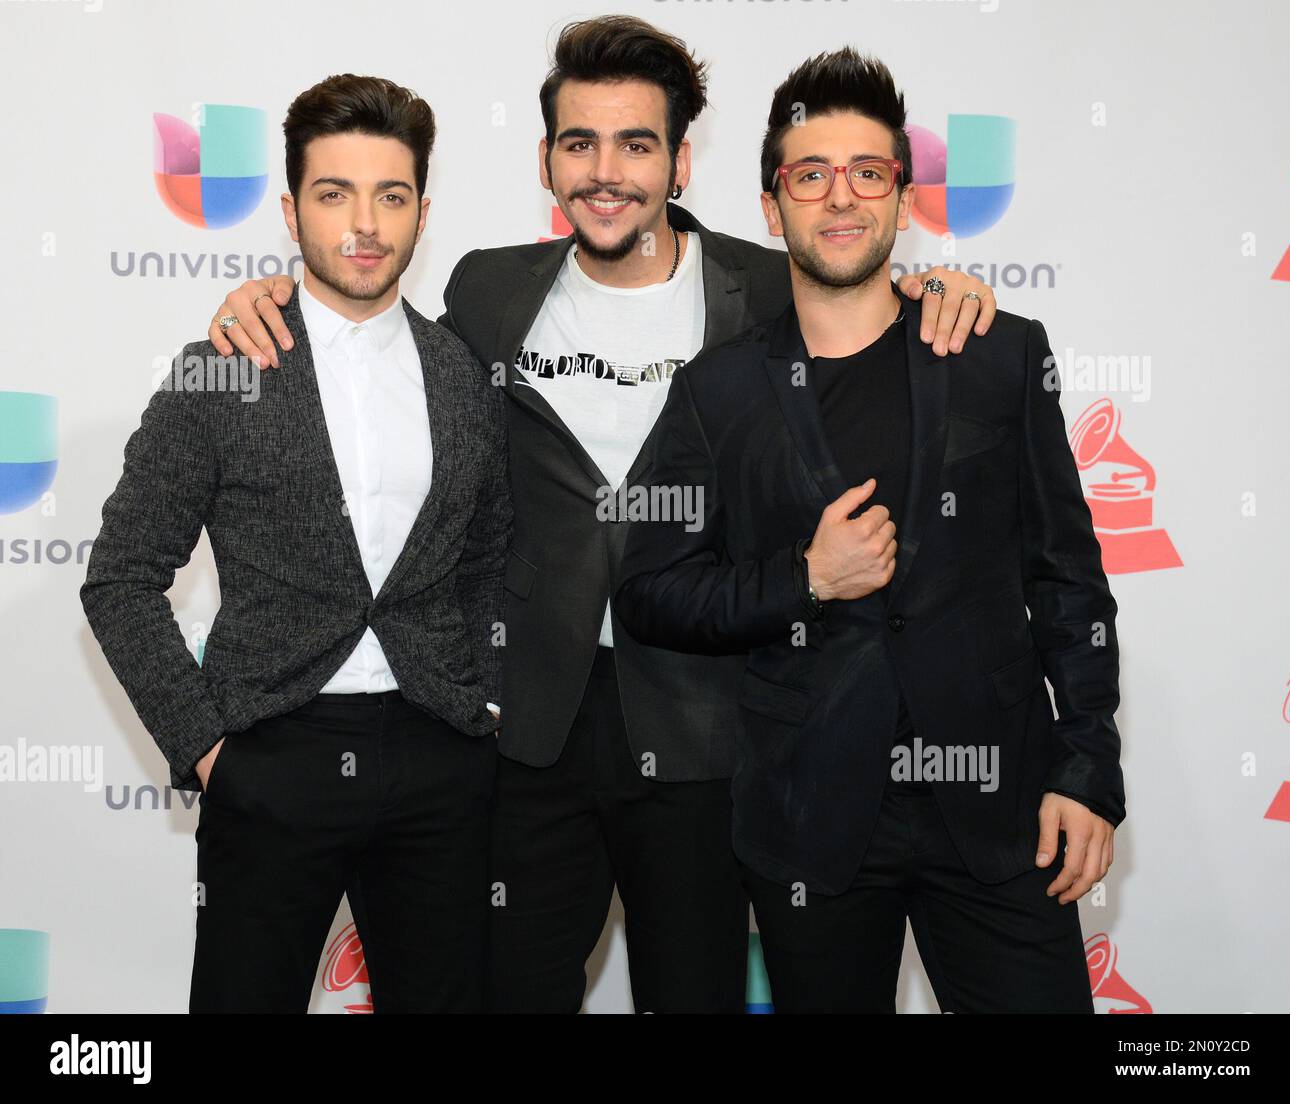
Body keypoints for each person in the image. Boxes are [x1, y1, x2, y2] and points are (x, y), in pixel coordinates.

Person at [200, 17, 996, 1013]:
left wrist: (942, 291)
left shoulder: (760, 287)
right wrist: (268, 301)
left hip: (712, 721)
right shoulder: (487, 290)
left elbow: (863, 296)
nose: (605, 171)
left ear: (679, 162)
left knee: (695, 996)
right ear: (546, 160)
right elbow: (379, 361)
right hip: (529, 724)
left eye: (635, 144)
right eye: (579, 144)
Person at [614, 47, 1122, 1013]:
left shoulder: (994, 354)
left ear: (901, 196)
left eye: (866, 173)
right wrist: (802, 580)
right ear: (773, 208)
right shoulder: (716, 391)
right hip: (812, 823)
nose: (838, 198)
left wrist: (1089, 770)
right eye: (810, 175)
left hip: (1003, 809)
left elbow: (1068, 578)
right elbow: (648, 588)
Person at [80, 75, 508, 1012]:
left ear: (423, 212)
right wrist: (208, 752)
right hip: (271, 757)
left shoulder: (459, 374)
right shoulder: (223, 369)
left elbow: (486, 560)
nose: (364, 223)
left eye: (390, 196)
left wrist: (478, 701)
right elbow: (120, 579)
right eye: (333, 193)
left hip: (437, 759)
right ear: (289, 209)